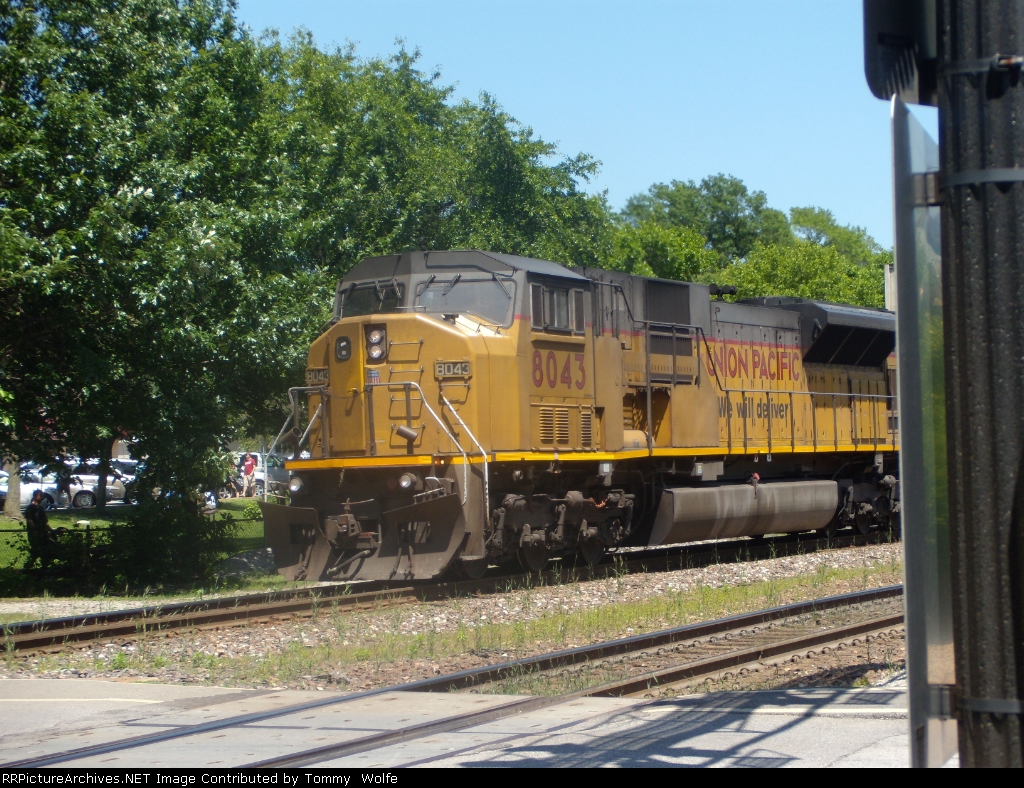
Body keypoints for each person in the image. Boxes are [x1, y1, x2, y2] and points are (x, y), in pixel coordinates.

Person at [24, 490, 58, 572]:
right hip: (35, 535)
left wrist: (52, 531)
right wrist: (36, 529)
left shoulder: (41, 509)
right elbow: (30, 521)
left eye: (43, 496)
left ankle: (42, 569)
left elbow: (45, 522)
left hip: (43, 535)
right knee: (36, 552)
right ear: (36, 496)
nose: (42, 497)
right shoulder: (30, 508)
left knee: (45, 552)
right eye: (41, 496)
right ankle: (27, 568)